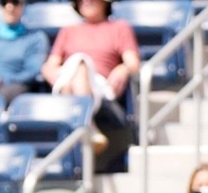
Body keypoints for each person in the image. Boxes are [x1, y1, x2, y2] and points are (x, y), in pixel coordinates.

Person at [40, 0, 140, 152]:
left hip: (100, 85)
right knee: (76, 69)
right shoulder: (68, 30)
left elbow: (133, 63)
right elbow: (50, 65)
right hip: (67, 80)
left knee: (80, 64)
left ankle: (79, 133)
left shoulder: (119, 27)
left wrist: (122, 68)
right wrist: (50, 73)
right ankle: (88, 129)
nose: (86, 1)